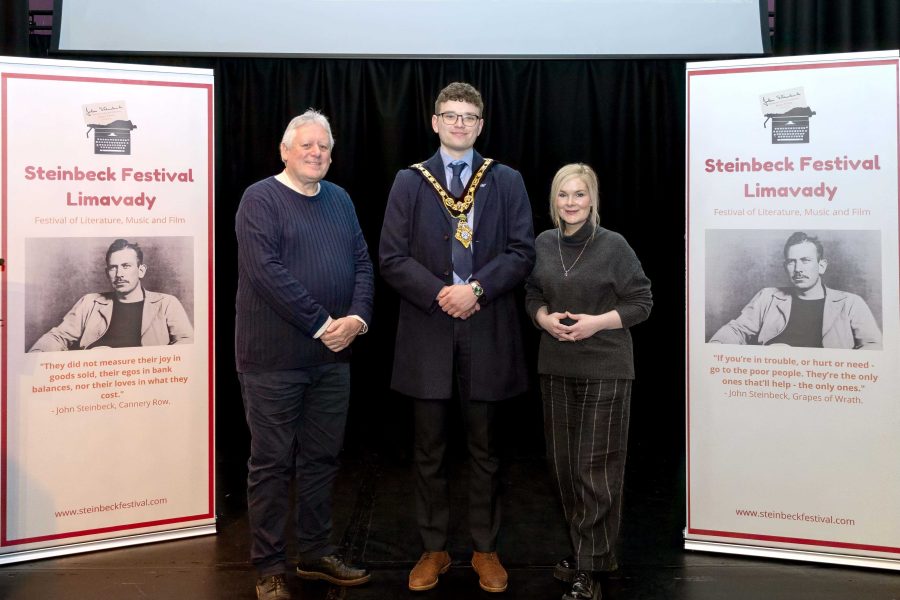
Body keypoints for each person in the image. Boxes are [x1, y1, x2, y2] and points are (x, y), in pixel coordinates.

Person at [379, 82, 535, 594]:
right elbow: (392, 257)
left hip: (487, 332)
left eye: (469, 116)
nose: (460, 124)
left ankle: (485, 550)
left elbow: (520, 251)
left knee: (486, 449)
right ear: (435, 122)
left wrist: (477, 290)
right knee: (429, 451)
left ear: (481, 124)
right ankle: (434, 548)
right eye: (451, 115)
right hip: (428, 333)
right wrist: (442, 294)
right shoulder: (410, 183)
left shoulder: (506, 180)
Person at [235, 110, 374, 600]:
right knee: (271, 464)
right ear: (285, 150)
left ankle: (315, 553)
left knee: (321, 459)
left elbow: (361, 261)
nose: (316, 154)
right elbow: (266, 272)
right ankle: (269, 567)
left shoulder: (340, 199)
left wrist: (356, 320)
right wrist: (322, 324)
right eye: (307, 146)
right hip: (273, 360)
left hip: (333, 359)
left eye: (324, 148)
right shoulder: (260, 199)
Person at [524, 163, 652, 600]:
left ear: (592, 199)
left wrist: (597, 323)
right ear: (553, 201)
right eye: (564, 195)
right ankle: (589, 553)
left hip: (606, 369)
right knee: (563, 471)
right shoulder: (543, 243)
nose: (571, 202)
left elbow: (642, 301)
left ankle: (590, 571)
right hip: (556, 367)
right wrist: (542, 318)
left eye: (580, 194)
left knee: (594, 470)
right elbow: (533, 294)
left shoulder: (613, 245)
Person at [709, 231, 882, 349]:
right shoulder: (767, 297)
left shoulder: (851, 303)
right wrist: (714, 347)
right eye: (792, 262)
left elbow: (873, 347)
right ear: (786, 267)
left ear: (821, 266)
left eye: (805, 260)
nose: (798, 269)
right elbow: (737, 330)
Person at [29, 238, 193, 351]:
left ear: (141, 270)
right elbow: (58, 337)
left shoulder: (167, 303)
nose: (119, 274)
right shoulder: (89, 302)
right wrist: (33, 359)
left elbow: (186, 342)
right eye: (113, 268)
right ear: (107, 273)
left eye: (126, 266)